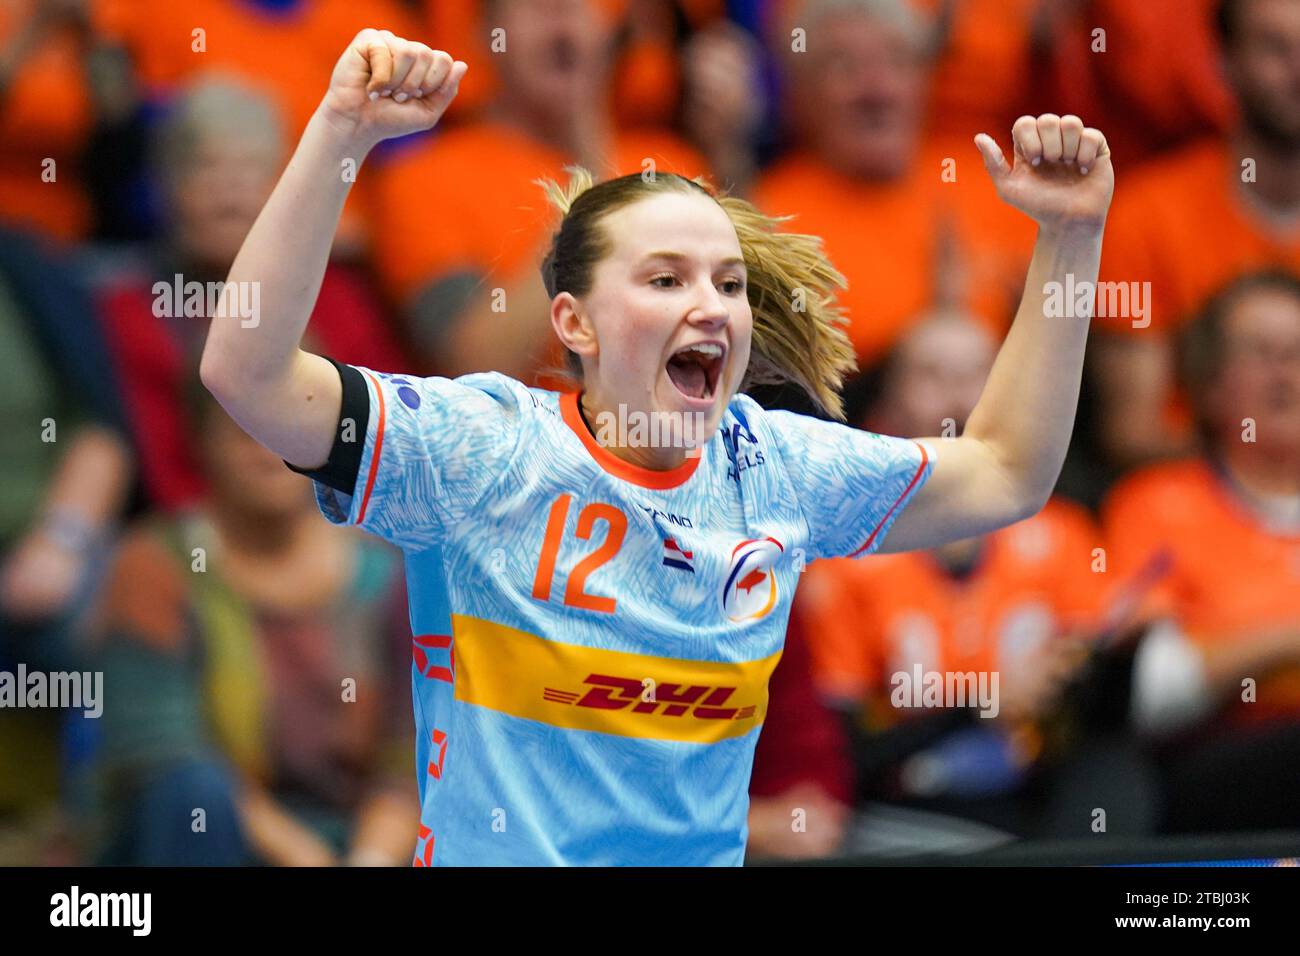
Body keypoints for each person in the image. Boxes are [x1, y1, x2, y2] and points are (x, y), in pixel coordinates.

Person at [199, 29, 1113, 865]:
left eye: (727, 282)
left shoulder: (779, 471)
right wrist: (339, 134)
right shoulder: (482, 452)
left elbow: (1004, 470)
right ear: (576, 322)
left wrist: (1071, 237)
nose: (710, 306)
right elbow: (247, 372)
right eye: (665, 279)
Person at [89, 380, 416, 866]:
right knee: (192, 793)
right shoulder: (157, 566)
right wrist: (308, 860)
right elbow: (161, 753)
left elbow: (411, 760)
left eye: (289, 431)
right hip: (214, 843)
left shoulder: (387, 574)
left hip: (360, 839)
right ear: (201, 443)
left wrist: (371, 858)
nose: (270, 455)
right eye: (245, 434)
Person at [1103, 270, 1300, 832]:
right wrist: (1286, 640)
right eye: (1261, 354)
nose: (1284, 373)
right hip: (1216, 762)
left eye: (1296, 352)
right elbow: (1148, 692)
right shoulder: (1157, 505)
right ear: (1211, 386)